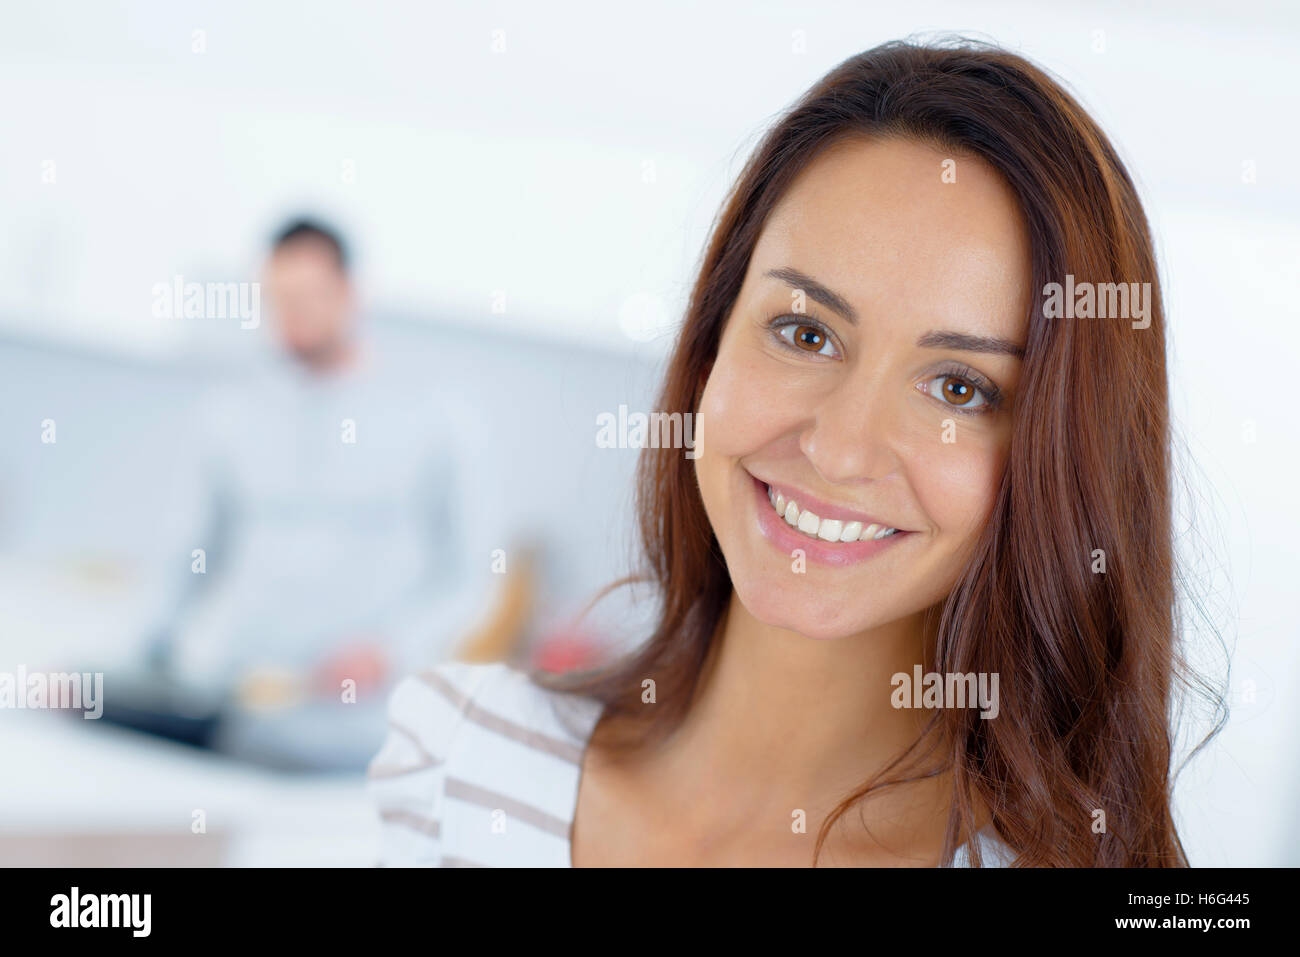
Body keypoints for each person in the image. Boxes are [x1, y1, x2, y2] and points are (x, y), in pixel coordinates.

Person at [368, 40, 1212, 865]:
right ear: (711, 343)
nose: (839, 450)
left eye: (958, 387)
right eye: (804, 332)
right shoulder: (457, 761)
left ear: (1055, 462)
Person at [149, 218, 511, 771]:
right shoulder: (230, 418)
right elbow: (183, 563)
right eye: (278, 302)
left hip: (369, 740)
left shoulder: (434, 423)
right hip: (243, 721)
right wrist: (115, 674)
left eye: (306, 298)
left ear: (349, 293)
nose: (291, 319)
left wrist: (388, 650)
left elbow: (467, 578)